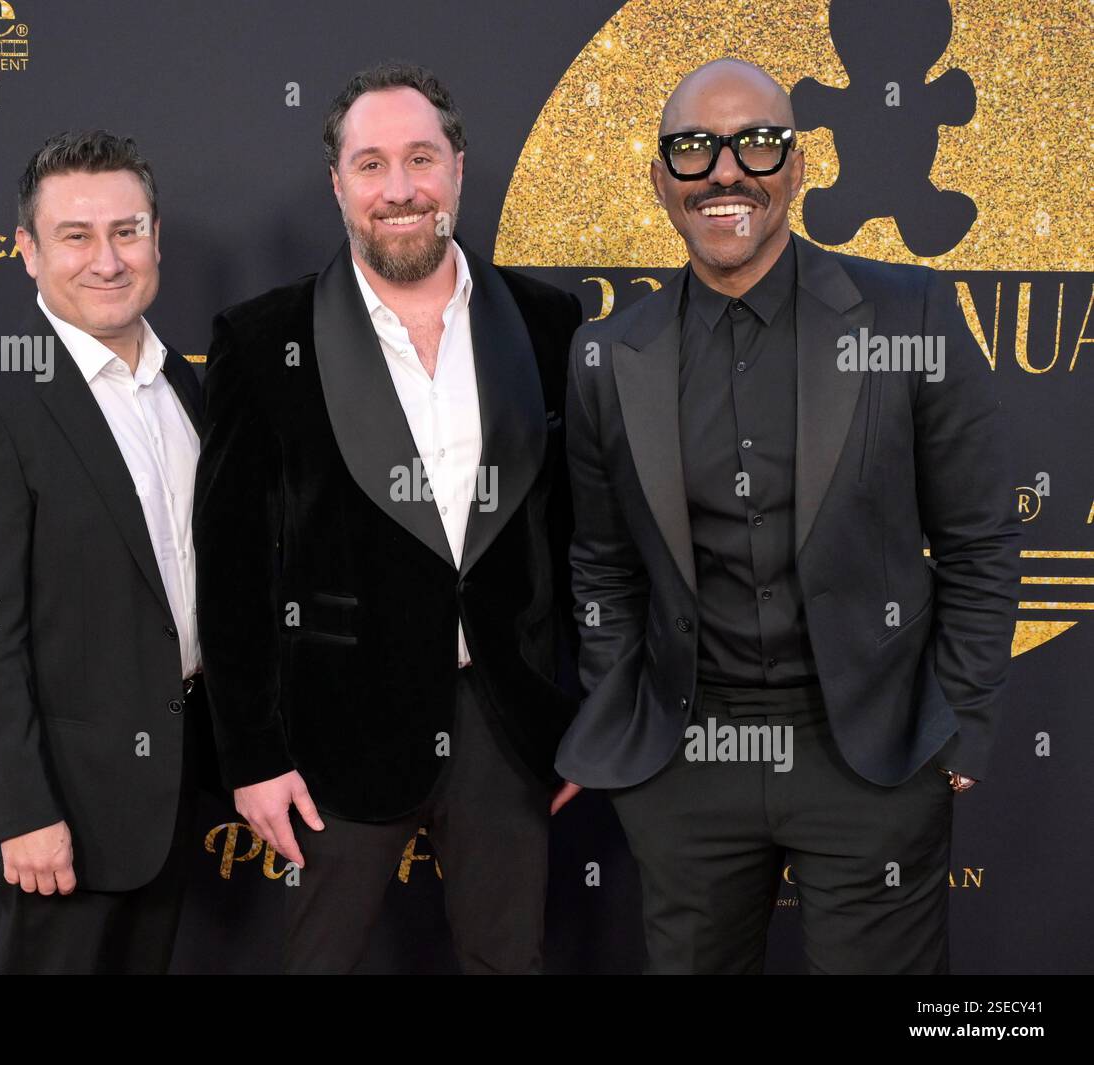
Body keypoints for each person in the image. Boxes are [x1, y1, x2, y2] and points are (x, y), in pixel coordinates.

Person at [555, 58, 1020, 974]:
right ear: (660, 180)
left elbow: (979, 538)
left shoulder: (908, 313)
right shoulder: (609, 355)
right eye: (694, 149)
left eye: (756, 144)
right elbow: (602, 560)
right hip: (689, 758)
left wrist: (955, 721)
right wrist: (631, 729)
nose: (726, 171)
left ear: (796, 168)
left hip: (872, 755)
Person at [193, 62, 581, 973]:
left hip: (505, 724)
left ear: (458, 168)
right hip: (336, 729)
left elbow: (583, 539)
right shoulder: (261, 341)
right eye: (371, 165)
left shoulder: (547, 323)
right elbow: (234, 566)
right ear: (337, 183)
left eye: (420, 158)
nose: (399, 189)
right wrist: (251, 754)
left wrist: (587, 716)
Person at [0, 130, 215, 973]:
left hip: (167, 785)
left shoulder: (182, 386)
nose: (108, 260)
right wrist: (22, 813)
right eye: (75, 236)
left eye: (126, 231)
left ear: (156, 237)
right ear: (28, 251)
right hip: (62, 807)